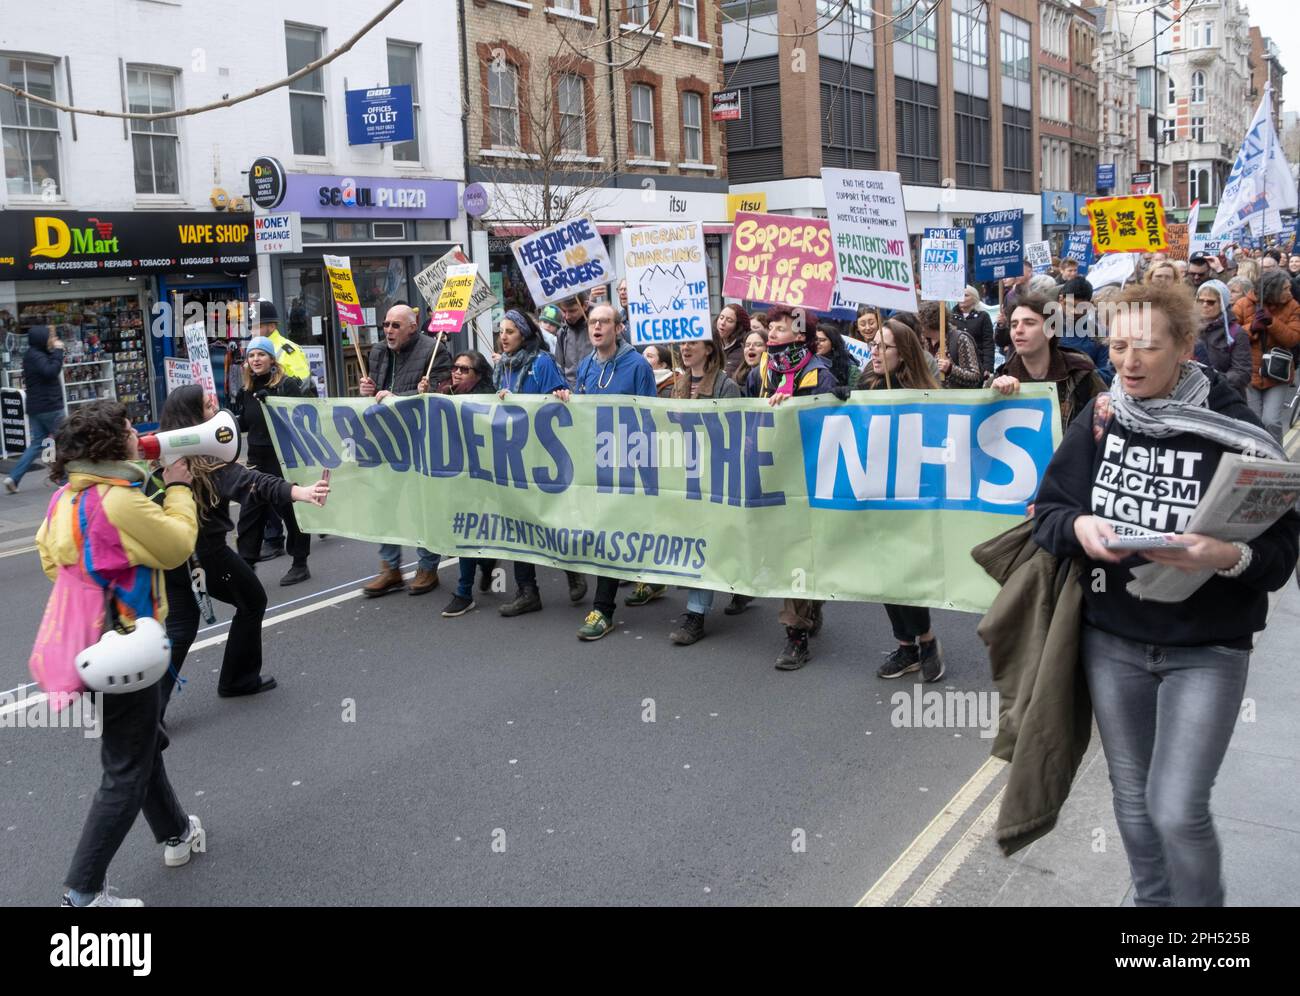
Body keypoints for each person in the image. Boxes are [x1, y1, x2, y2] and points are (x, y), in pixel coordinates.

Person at [1032, 281, 1300, 906]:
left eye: (1146, 348)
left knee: (1176, 806)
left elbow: (1282, 553)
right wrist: (1080, 527)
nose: (1128, 362)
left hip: (1208, 648)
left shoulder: (1238, 429)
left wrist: (1228, 556)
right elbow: (1048, 511)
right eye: (1118, 346)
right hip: (1113, 642)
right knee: (1132, 800)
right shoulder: (1101, 417)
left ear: (1184, 347)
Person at [35, 401, 203, 906]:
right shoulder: (119, 500)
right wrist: (178, 486)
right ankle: (82, 895)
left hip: (87, 644)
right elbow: (176, 545)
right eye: (130, 429)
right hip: (128, 647)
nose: (139, 433)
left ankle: (176, 833)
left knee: (140, 744)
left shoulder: (65, 498)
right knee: (126, 768)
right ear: (112, 445)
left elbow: (51, 560)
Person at [153, 386, 328, 707]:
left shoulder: (163, 456)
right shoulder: (204, 459)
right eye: (208, 406)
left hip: (171, 554)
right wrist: (299, 493)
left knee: (180, 629)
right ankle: (237, 679)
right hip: (206, 554)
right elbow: (252, 483)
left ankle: (149, 713)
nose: (216, 409)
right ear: (194, 417)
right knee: (253, 600)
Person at [843, 322, 947, 682]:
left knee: (906, 571)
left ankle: (927, 640)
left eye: (883, 347)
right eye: (872, 345)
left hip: (912, 495)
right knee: (886, 573)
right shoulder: (865, 385)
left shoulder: (924, 392)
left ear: (903, 353)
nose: (873, 352)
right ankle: (906, 647)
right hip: (875, 493)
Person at [555, 303, 656, 640]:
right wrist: (567, 398)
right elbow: (584, 409)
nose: (596, 327)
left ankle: (603, 609)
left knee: (612, 532)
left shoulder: (638, 365)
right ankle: (650, 577)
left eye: (604, 322)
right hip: (596, 464)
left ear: (619, 328)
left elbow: (651, 416)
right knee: (609, 532)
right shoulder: (585, 366)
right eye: (593, 321)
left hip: (628, 464)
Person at [638, 330, 746, 643]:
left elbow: (733, 434)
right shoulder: (679, 385)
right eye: (682, 342)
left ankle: (698, 613)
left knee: (714, 540)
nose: (685, 347)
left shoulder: (727, 388)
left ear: (709, 349)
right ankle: (702, 606)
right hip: (685, 476)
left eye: (692, 342)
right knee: (698, 542)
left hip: (714, 476)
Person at [747, 305, 838, 669]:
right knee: (788, 552)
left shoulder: (819, 374)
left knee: (796, 554)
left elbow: (827, 427)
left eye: (780, 329)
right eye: (770, 328)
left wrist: (795, 407)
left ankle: (795, 639)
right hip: (774, 474)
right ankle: (808, 606)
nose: (771, 334)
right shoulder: (762, 371)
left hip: (807, 476)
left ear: (800, 336)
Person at [492, 310, 580, 616]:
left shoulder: (541, 362)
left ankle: (571, 569)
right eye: (501, 331)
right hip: (515, 456)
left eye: (510, 331)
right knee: (520, 523)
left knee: (547, 519)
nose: (503, 337)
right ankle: (527, 591)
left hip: (543, 457)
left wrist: (557, 395)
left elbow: (557, 402)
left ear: (525, 335)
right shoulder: (500, 367)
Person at [359, 304, 449, 597]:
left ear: (413, 326)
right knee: (383, 502)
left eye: (395, 325)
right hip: (386, 439)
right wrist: (367, 390)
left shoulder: (434, 350)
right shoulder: (378, 351)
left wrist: (400, 397)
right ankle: (390, 568)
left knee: (419, 503)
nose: (388, 330)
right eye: (385, 324)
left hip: (419, 439)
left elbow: (439, 394)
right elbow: (377, 394)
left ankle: (427, 567)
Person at [229, 336, 315, 586]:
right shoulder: (247, 389)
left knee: (291, 511)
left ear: (271, 359)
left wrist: (274, 405)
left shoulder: (285, 384)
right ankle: (246, 567)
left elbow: (301, 415)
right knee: (249, 515)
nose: (256, 359)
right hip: (256, 459)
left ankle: (300, 563)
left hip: (281, 459)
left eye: (261, 355)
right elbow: (246, 423)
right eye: (252, 355)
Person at [438, 351, 503, 618]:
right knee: (466, 529)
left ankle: (472, 582)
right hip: (458, 472)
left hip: (486, 473)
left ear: (478, 374)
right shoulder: (444, 394)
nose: (457, 372)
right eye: (455, 367)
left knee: (475, 529)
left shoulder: (490, 397)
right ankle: (472, 581)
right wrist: (421, 394)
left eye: (464, 370)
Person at [988, 294, 1105, 431]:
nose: (1018, 330)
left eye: (1029, 323)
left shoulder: (1080, 374)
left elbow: (1105, 423)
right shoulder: (1000, 378)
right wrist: (991, 399)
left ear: (1050, 330)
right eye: (1014, 325)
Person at [6, 325, 66, 494]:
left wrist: (54, 350)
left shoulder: (32, 355)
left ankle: (14, 478)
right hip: (50, 406)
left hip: (36, 407)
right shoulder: (37, 356)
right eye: (48, 337)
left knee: (37, 444)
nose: (50, 340)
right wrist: (58, 352)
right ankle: (65, 478)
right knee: (64, 440)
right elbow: (51, 371)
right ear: (41, 339)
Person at [1243, 269, 1300, 441]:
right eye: (1285, 289)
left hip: (1277, 374)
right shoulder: (1244, 304)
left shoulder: (1294, 306)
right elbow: (1231, 337)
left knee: (1271, 421)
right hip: (1250, 372)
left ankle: (1276, 460)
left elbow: (1293, 338)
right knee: (1253, 421)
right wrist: (1251, 328)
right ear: (1271, 290)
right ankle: (1253, 460)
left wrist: (1272, 323)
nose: (1289, 293)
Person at [1194, 279, 1251, 398]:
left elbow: (1242, 372)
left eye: (1210, 302)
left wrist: (1214, 381)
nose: (1204, 305)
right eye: (1200, 301)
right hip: (1193, 395)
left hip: (1225, 396)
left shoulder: (1236, 332)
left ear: (1222, 303)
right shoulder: (1187, 328)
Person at [1056, 276, 1113, 384]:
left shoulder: (1100, 335)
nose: (1074, 312)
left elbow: (1108, 374)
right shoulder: (1044, 330)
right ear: (1060, 300)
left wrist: (1081, 374)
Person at [918, 300, 981, 387]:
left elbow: (975, 377)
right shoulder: (922, 341)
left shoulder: (960, 339)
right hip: (929, 397)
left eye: (921, 324)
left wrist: (950, 369)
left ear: (929, 324)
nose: (919, 327)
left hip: (953, 399)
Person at [250, 299, 310, 383]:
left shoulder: (287, 349)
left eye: (257, 327)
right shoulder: (253, 350)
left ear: (271, 327)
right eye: (251, 327)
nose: (253, 332)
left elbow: (303, 385)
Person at [953, 285, 995, 375]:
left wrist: (988, 367)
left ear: (974, 298)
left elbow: (988, 343)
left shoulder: (983, 316)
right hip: (956, 365)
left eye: (966, 295)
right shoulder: (950, 317)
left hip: (978, 365)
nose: (961, 298)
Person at [553, 293, 593, 387]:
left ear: (585, 306)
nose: (567, 316)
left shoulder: (597, 330)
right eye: (564, 311)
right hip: (570, 395)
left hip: (594, 391)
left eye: (572, 311)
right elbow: (559, 368)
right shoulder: (562, 333)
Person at [814, 323, 860, 390]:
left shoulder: (850, 368)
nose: (817, 343)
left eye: (822, 340)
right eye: (815, 339)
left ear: (833, 343)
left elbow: (855, 394)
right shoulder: (807, 363)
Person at [715, 303, 751, 378]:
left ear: (739, 327)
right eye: (721, 318)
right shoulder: (713, 345)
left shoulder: (742, 350)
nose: (722, 323)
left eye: (729, 320)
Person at [733, 328, 768, 394]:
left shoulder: (771, 378)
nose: (751, 347)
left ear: (767, 349)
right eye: (747, 345)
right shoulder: (738, 378)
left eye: (758, 345)